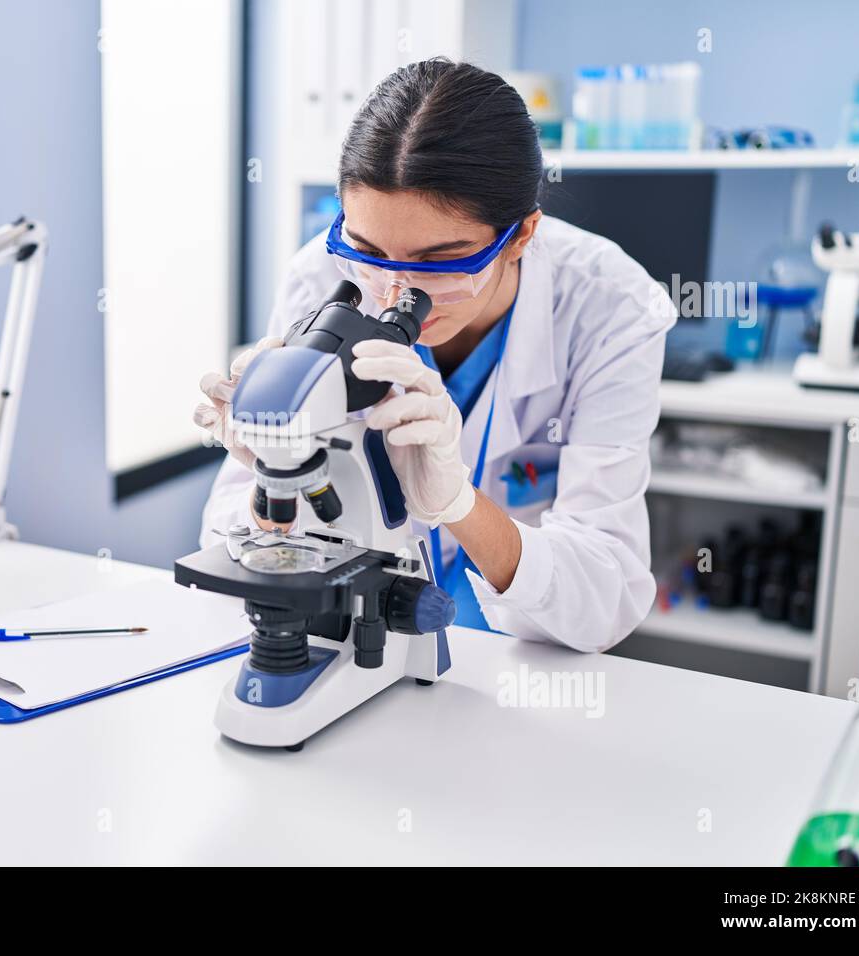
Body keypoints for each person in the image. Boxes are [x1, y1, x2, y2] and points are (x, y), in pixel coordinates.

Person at [195, 59, 675, 653]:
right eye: (368, 249)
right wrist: (272, 469)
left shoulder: (612, 305)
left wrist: (458, 504)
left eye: (439, 262)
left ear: (522, 234)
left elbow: (606, 596)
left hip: (523, 657)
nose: (397, 292)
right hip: (364, 638)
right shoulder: (321, 275)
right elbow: (226, 537)